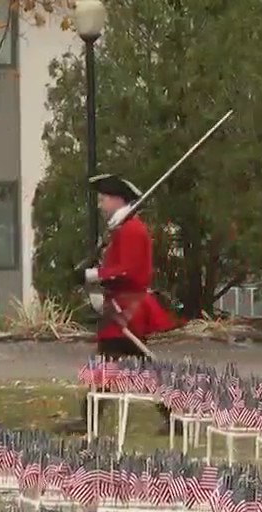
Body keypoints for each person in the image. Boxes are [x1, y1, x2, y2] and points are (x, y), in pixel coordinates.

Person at [62, 173, 177, 433]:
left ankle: (89, 421)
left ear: (117, 200)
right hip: (122, 306)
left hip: (129, 308)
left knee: (115, 363)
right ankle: (172, 416)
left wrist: (91, 275)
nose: (101, 205)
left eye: (104, 199)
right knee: (122, 364)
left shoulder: (132, 229)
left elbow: (128, 270)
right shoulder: (123, 228)